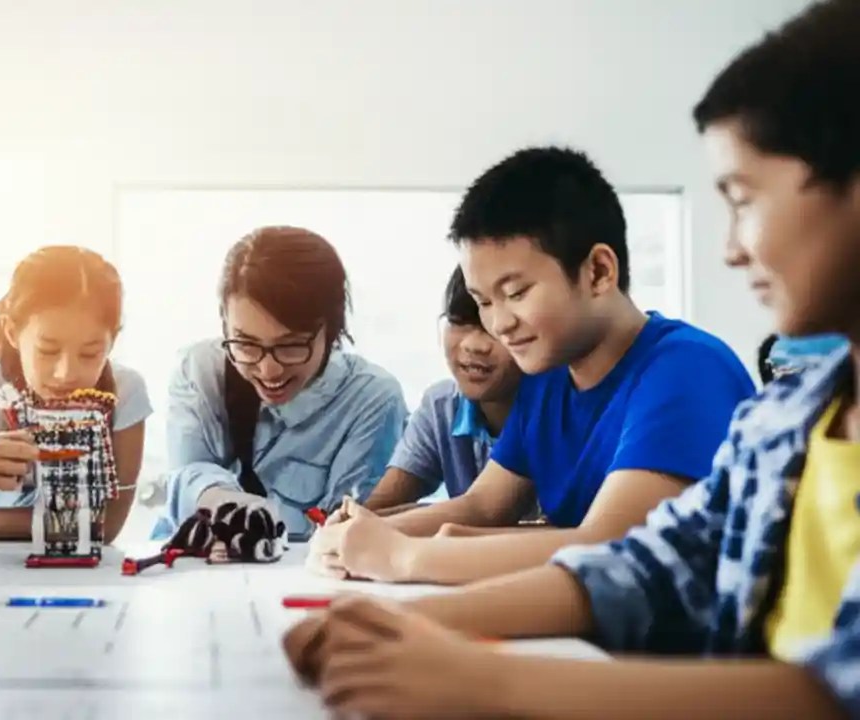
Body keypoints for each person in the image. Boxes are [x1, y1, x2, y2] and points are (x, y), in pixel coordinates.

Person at [284, 1, 860, 717]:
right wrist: (404, 627)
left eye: (745, 202)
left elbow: (834, 692)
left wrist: (481, 673)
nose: (731, 250)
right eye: (481, 301)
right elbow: (640, 567)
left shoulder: (685, 368)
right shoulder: (781, 424)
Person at [308, 147, 755, 584]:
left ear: (599, 271)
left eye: (516, 293)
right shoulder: (547, 377)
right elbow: (482, 506)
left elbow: (610, 545)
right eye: (483, 302)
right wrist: (362, 533)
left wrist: (406, 556)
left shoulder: (687, 370)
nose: (499, 324)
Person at [155, 226, 408, 542]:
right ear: (224, 322)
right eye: (246, 344)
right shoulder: (199, 370)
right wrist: (222, 502)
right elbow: (185, 474)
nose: (268, 369)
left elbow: (349, 530)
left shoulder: (372, 399)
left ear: (332, 329)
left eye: (291, 346)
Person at [0, 246, 151, 542]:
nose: (65, 373)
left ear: (112, 340)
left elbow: (107, 526)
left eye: (90, 353)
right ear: (12, 332)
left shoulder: (124, 392)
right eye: (47, 350)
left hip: (78, 566)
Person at [364, 267, 522, 514]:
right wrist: (351, 522)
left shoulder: (557, 408)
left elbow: (482, 512)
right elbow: (378, 506)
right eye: (459, 322)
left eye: (494, 329)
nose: (474, 345)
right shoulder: (442, 406)